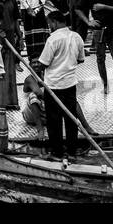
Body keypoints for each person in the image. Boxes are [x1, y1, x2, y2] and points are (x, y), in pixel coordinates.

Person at [36, 11, 84, 159]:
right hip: (69, 85)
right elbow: (81, 59)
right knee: (71, 118)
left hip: (54, 86)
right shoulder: (77, 37)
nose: (49, 26)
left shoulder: (52, 40)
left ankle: (57, 152)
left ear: (55, 22)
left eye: (50, 23)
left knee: (54, 121)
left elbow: (43, 63)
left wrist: (38, 69)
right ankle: (72, 151)